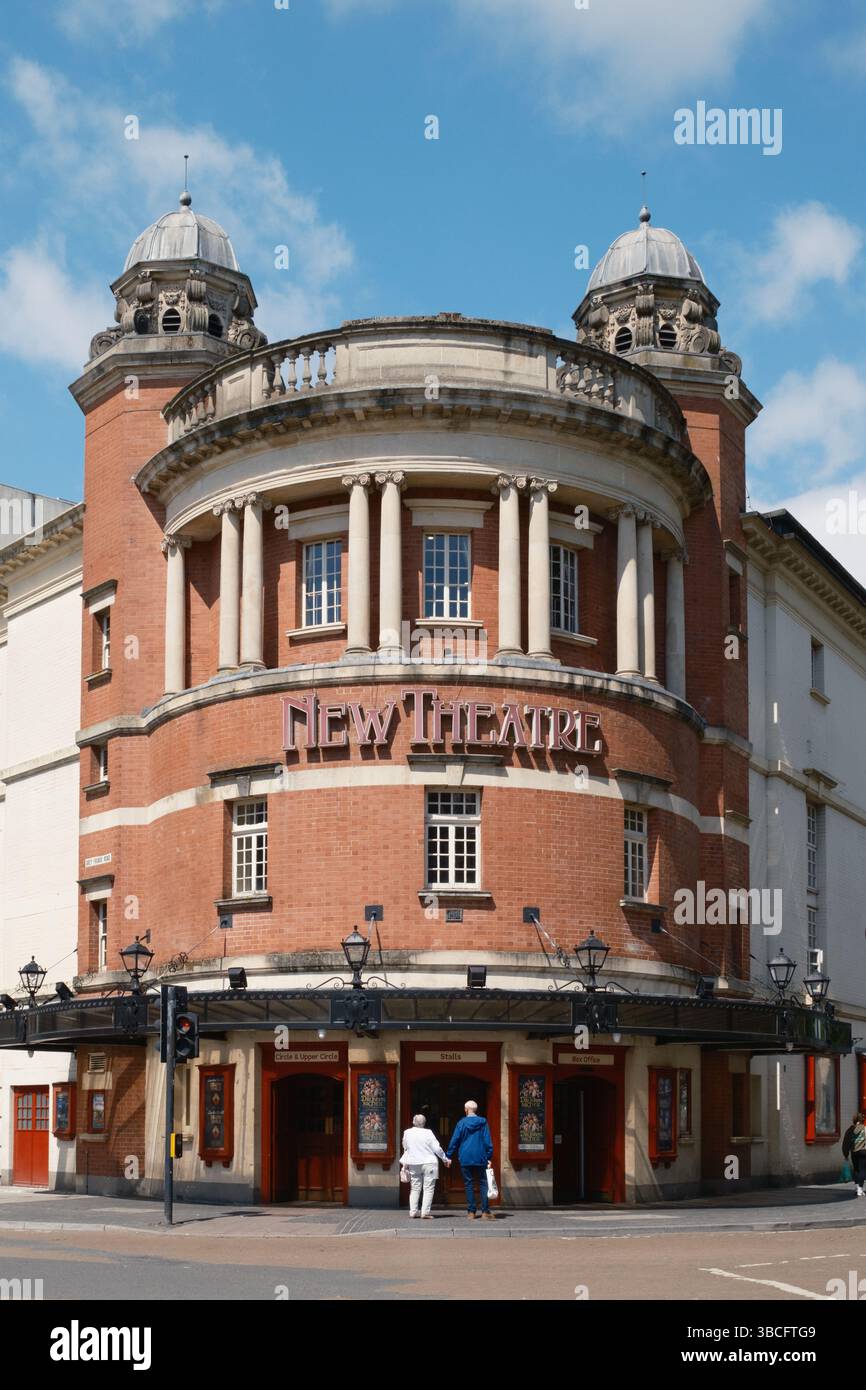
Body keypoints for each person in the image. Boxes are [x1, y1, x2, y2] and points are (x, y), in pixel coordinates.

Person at [446, 1099, 495, 1219]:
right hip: (480, 1157)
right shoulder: (483, 1122)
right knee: (483, 1183)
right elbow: (487, 1141)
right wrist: (489, 1156)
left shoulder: (461, 1123)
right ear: (475, 1110)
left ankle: (471, 1212)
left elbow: (455, 1140)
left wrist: (448, 1155)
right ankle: (485, 1211)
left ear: (466, 1110)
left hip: (465, 1157)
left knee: (468, 1184)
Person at [400, 1113, 450, 1219]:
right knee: (428, 1188)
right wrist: (445, 1159)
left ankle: (413, 1212)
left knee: (415, 1188)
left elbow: (405, 1147)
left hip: (414, 1162)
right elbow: (437, 1148)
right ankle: (425, 1213)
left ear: (413, 1122)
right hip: (429, 1163)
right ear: (424, 1123)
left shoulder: (407, 1132)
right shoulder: (428, 1133)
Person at [842, 1111, 866, 1197]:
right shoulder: (865, 1129)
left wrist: (845, 1153)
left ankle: (857, 1187)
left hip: (854, 1152)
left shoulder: (850, 1129)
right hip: (864, 1151)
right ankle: (860, 1188)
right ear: (863, 1119)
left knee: (856, 1169)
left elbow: (846, 1142)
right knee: (862, 1170)